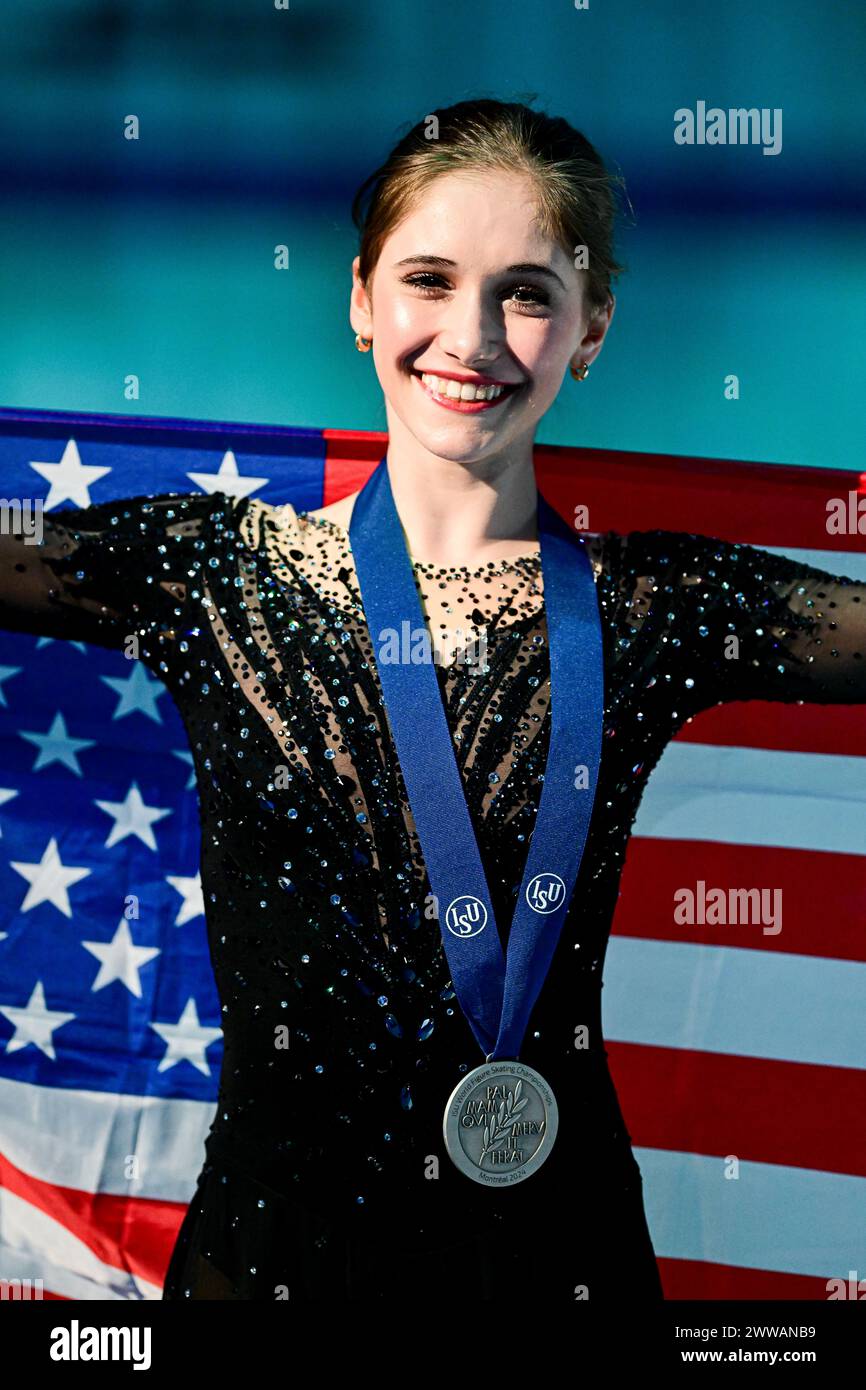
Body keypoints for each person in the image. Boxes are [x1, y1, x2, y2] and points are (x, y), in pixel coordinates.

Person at [1, 98, 864, 1303]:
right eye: (427, 280)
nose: (472, 337)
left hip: (554, 1264)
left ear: (590, 324)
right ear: (361, 300)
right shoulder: (209, 572)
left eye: (524, 292)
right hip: (269, 1265)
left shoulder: (655, 603)